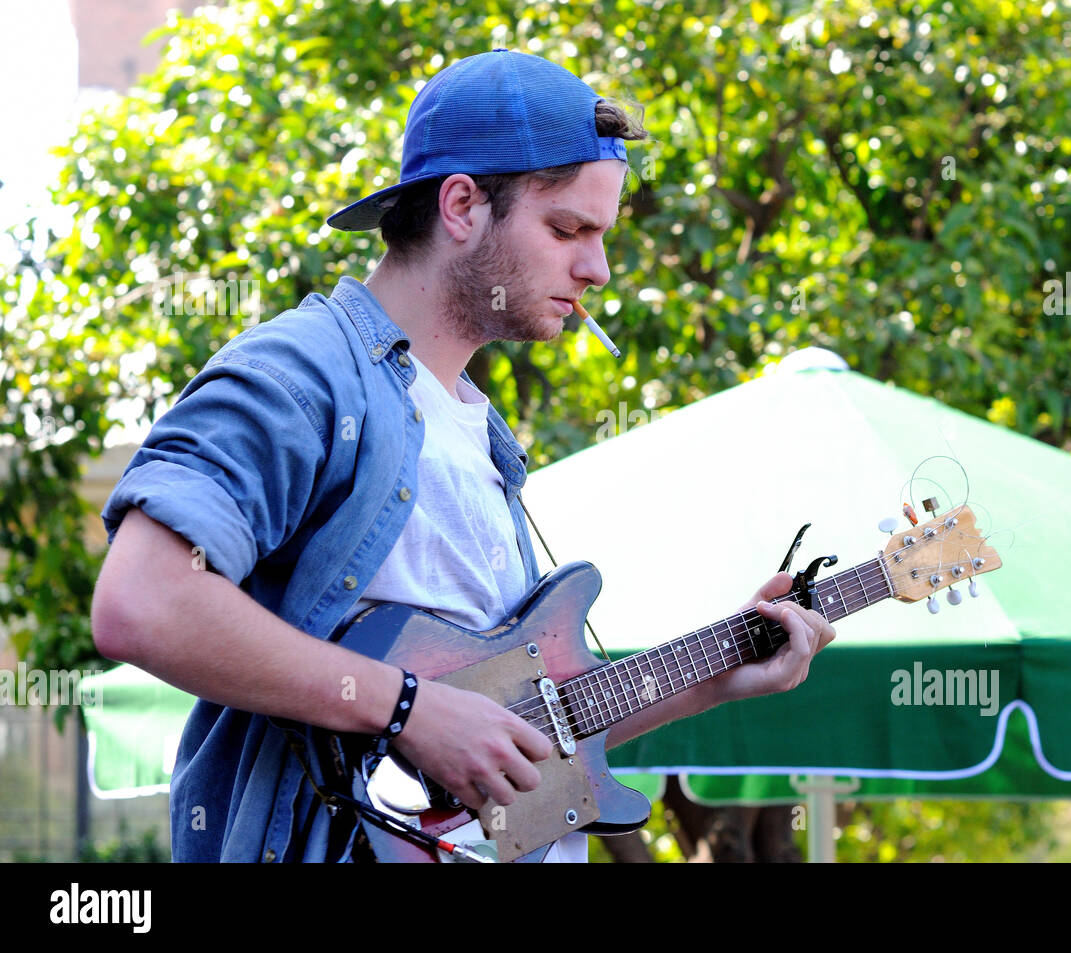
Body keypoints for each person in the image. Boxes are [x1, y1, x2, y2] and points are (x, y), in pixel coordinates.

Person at [90, 49, 835, 863]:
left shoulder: (479, 431)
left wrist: (719, 675)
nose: (598, 268)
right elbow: (143, 601)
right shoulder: (302, 373)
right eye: (567, 229)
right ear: (461, 206)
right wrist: (409, 708)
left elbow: (518, 729)